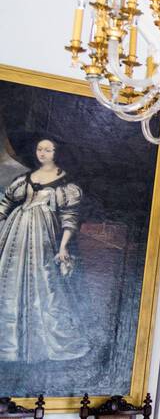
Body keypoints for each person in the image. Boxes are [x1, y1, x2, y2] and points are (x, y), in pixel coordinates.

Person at [0, 138, 91, 362]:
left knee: (45, 281)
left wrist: (63, 247)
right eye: (40, 149)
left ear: (56, 152)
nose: (42, 153)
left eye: (48, 150)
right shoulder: (24, 179)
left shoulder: (66, 184)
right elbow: (5, 203)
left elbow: (69, 218)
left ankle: (40, 343)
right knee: (8, 279)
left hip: (43, 236)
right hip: (15, 232)